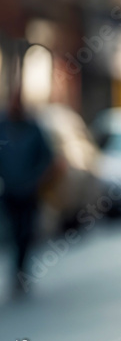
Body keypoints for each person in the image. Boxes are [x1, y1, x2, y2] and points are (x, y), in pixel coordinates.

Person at [0, 86, 53, 297]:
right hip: (9, 190)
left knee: (26, 232)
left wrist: (37, 180)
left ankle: (22, 270)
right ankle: (16, 270)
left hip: (29, 191)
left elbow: (47, 157)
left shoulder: (33, 128)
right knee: (13, 231)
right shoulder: (3, 127)